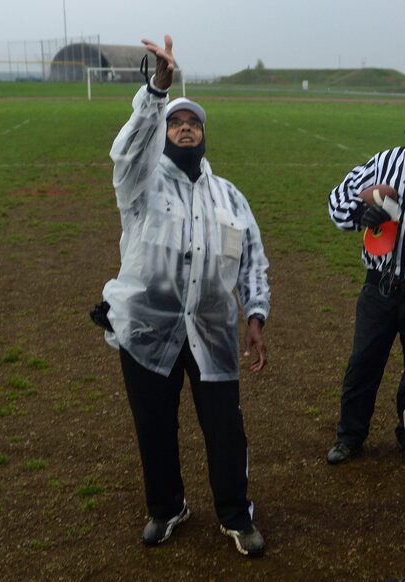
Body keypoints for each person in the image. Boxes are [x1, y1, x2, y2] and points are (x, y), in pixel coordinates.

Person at [101, 35, 271, 557]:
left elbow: (253, 257)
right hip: (147, 331)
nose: (186, 128)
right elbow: (128, 149)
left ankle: (235, 514)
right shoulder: (141, 183)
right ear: (165, 131)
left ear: (204, 134)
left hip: (212, 333)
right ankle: (166, 506)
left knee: (226, 429)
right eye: (177, 122)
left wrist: (256, 314)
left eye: (193, 122)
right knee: (154, 428)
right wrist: (156, 92)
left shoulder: (229, 196)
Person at [325, 95, 405, 465]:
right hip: (379, 285)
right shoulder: (385, 161)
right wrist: (361, 212)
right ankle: (350, 435)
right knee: (363, 362)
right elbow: (336, 202)